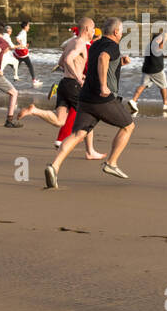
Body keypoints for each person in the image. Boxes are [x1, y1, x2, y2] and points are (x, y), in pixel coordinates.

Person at [44, 17, 134, 188]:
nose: (122, 34)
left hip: (85, 97)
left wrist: (121, 63)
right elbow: (103, 59)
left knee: (78, 134)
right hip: (102, 99)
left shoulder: (94, 45)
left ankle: (54, 167)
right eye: (121, 31)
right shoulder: (112, 46)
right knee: (128, 126)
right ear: (116, 32)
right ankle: (111, 163)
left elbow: (99, 64)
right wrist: (103, 86)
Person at [16, 17, 104, 159]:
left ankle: (34, 110)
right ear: (87, 29)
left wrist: (73, 72)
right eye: (93, 28)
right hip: (74, 85)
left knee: (60, 120)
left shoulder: (71, 42)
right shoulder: (81, 44)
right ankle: (90, 151)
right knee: (90, 115)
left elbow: (61, 62)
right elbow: (68, 59)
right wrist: (78, 76)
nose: (94, 31)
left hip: (64, 84)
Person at [128, 29, 167, 112]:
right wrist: (165, 39)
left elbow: (157, 54)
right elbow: (158, 49)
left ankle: (133, 101)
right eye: (160, 38)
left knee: (142, 85)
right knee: (163, 86)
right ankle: (165, 103)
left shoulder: (149, 45)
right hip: (156, 70)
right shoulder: (155, 45)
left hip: (147, 70)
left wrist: (165, 55)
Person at [12, 20, 42, 86]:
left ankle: (14, 77)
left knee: (16, 65)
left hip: (19, 52)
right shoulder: (23, 32)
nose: (29, 27)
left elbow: (19, 39)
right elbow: (17, 38)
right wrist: (22, 45)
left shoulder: (23, 32)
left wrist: (24, 45)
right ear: (25, 26)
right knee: (30, 66)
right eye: (28, 26)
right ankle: (34, 80)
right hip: (22, 53)